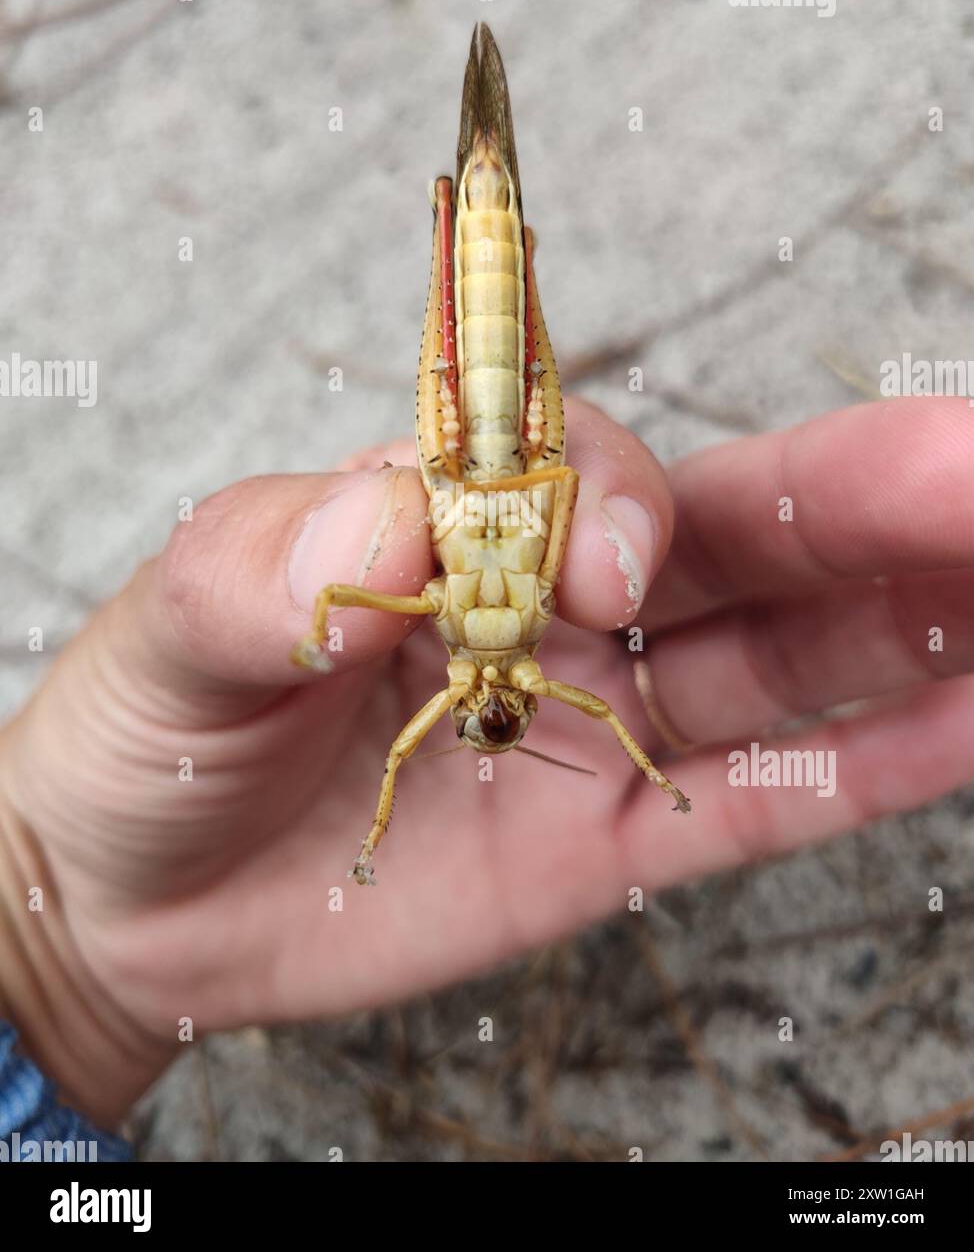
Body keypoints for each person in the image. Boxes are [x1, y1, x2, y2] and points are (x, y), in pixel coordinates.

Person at [1, 395, 971, 1156]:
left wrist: (63, 957)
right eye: (500, 719)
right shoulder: (526, 675)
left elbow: (356, 624)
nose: (500, 714)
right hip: (524, 455)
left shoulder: (469, 667)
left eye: (491, 721)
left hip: (458, 444)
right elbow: (526, 715)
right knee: (558, 461)